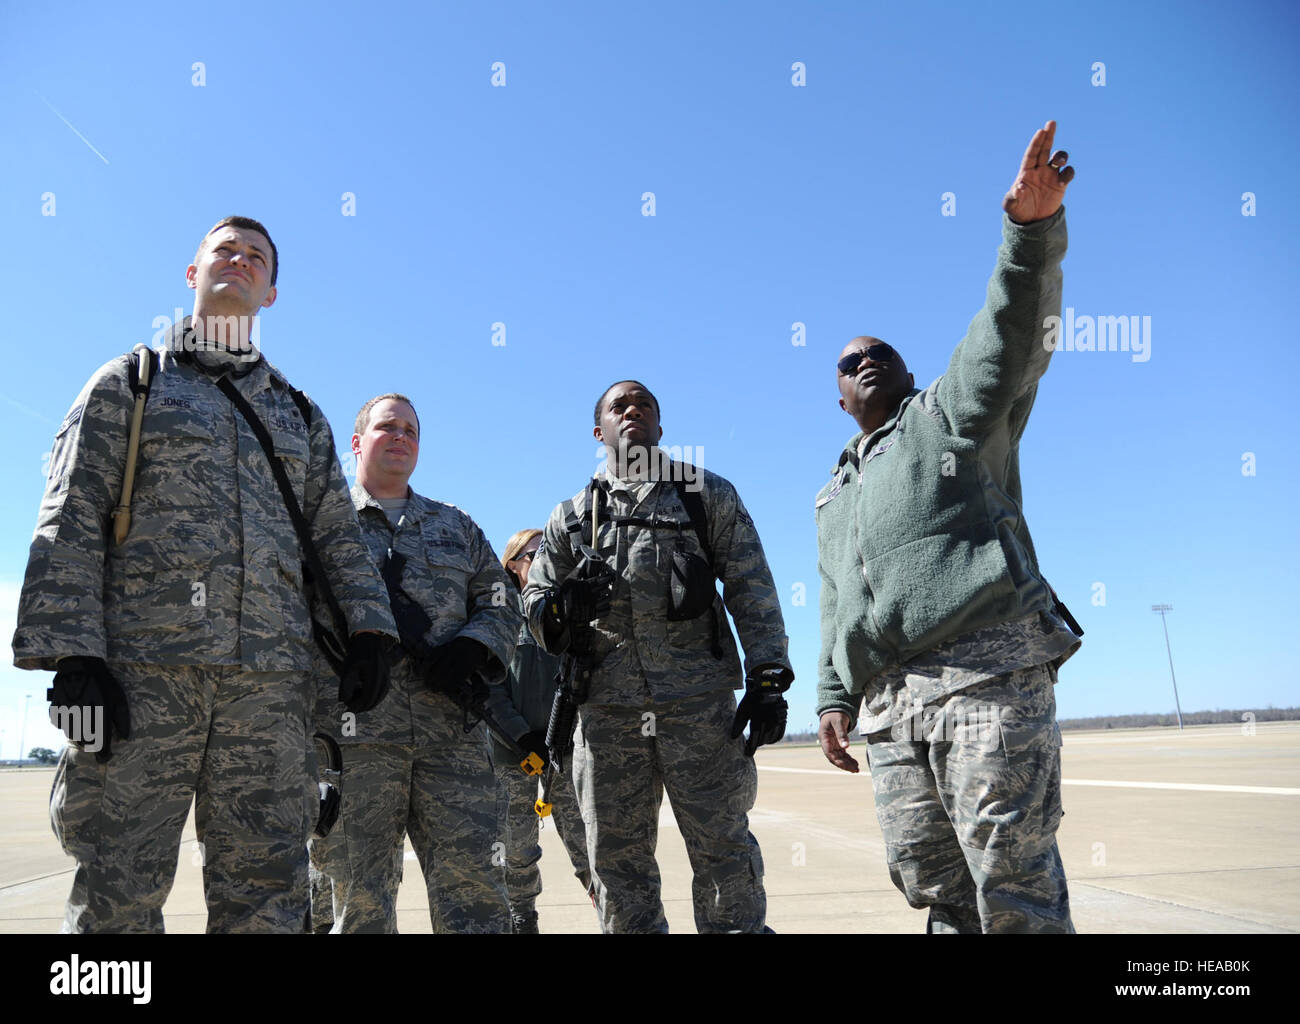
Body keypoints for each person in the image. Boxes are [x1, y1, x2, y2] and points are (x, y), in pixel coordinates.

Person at [12, 216, 396, 934]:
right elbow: (72, 511)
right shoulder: (130, 382)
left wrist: (372, 627)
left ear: (271, 293)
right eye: (225, 250)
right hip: (141, 675)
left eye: (256, 257)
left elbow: (336, 533)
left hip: (269, 684)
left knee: (269, 891)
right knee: (117, 887)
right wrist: (72, 653)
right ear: (193, 274)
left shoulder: (298, 415)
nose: (240, 261)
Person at [815, 122, 1082, 933]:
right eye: (849, 360)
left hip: (984, 675)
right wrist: (833, 695)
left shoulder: (948, 415)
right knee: (932, 889)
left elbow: (1009, 337)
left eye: (881, 353)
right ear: (837, 397)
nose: (866, 359)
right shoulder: (832, 494)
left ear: (904, 372)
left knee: (1014, 884)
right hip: (889, 709)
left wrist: (1029, 235)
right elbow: (834, 601)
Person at [522, 380, 794, 933]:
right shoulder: (571, 516)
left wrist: (767, 678)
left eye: (644, 405)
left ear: (660, 427)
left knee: (724, 850)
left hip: (697, 707)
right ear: (600, 432)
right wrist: (558, 609)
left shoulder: (703, 494)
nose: (633, 412)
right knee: (618, 864)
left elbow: (751, 582)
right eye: (619, 406)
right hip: (607, 715)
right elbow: (533, 598)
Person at [312, 393, 520, 933]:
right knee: (358, 901)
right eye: (387, 427)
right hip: (354, 739)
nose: (401, 436)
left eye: (411, 429)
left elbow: (501, 597)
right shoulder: (321, 527)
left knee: (475, 893)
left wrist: (474, 646)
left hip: (452, 737)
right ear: (357, 442)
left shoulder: (456, 526)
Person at [492, 528, 594, 934]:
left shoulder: (566, 614)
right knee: (516, 847)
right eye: (534, 555)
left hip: (565, 751)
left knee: (588, 840)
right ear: (514, 564)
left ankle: (610, 907)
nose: (544, 560)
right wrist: (521, 736)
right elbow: (490, 688)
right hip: (512, 752)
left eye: (549, 553)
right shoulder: (498, 614)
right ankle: (522, 918)